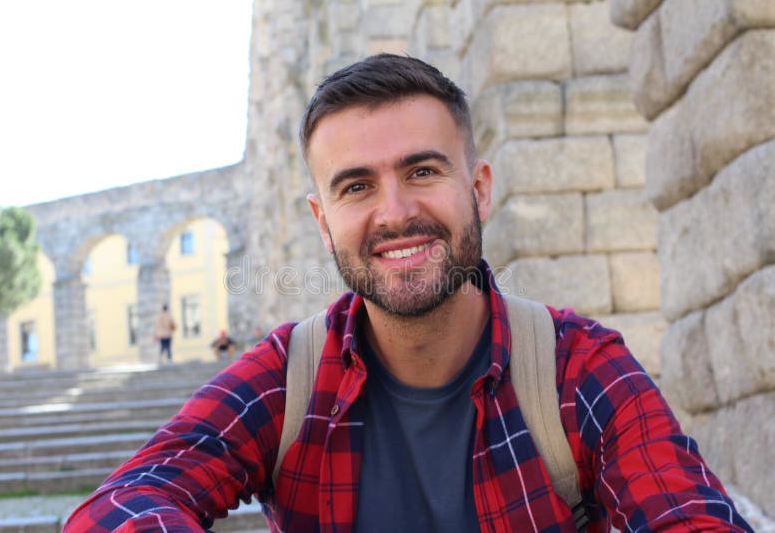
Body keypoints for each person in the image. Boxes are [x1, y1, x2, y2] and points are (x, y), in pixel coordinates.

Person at [64, 54, 752, 532]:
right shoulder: (290, 378)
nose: (394, 213)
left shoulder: (578, 366)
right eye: (357, 185)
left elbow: (686, 515)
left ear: (478, 188)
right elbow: (120, 502)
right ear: (321, 219)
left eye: (422, 170)